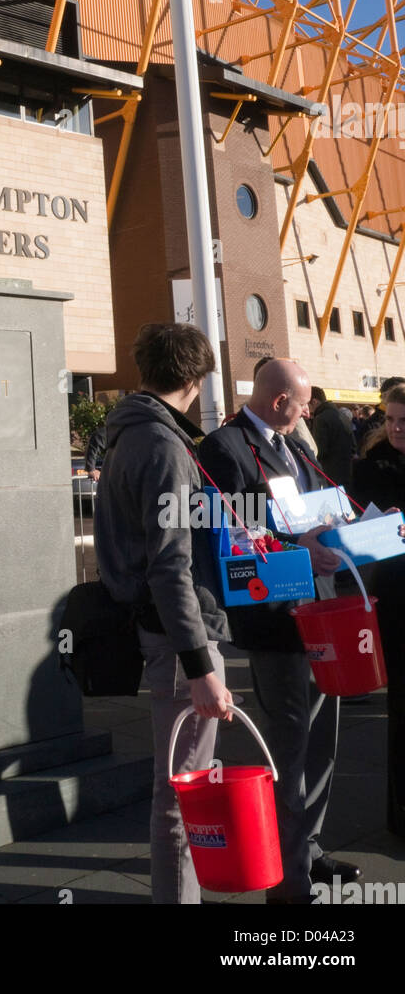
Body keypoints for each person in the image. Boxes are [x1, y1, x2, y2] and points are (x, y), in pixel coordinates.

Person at [198, 358, 357, 903]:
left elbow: (309, 507)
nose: (308, 410)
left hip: (322, 614)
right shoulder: (224, 447)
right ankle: (289, 886)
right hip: (276, 621)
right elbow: (232, 530)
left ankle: (308, 852)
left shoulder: (299, 445)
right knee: (287, 753)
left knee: (323, 746)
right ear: (277, 400)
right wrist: (301, 548)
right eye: (302, 402)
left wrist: (340, 526)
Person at [94, 322, 234, 904]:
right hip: (177, 638)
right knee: (184, 793)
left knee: (177, 789)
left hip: (159, 631)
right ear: (195, 381)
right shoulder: (164, 448)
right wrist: (200, 664)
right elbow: (170, 568)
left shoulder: (128, 434)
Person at [350, 382, 405, 837]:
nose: (396, 427)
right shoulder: (371, 464)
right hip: (396, 593)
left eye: (404, 420)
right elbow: (358, 526)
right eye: (389, 419)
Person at [308, 386, 354, 488]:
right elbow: (354, 446)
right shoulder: (342, 416)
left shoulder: (320, 418)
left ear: (314, 402)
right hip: (347, 471)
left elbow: (319, 450)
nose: (307, 409)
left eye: (308, 404)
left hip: (330, 473)